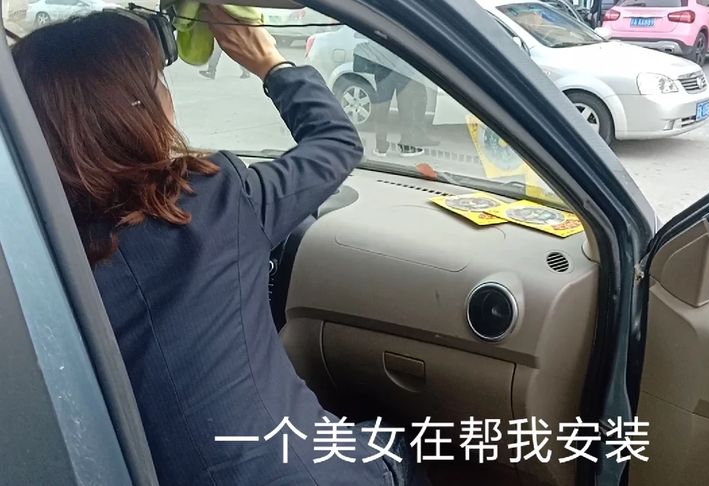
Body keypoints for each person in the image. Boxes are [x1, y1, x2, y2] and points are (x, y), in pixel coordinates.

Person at [12, 7, 415, 486]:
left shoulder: (33, 258)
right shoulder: (216, 200)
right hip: (303, 474)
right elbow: (336, 143)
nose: (168, 95)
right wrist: (270, 62)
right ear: (135, 112)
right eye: (158, 83)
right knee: (400, 443)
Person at [353, 39, 436, 157]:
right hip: (403, 71)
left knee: (382, 108)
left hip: (383, 69)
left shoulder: (383, 29)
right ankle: (407, 146)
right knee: (406, 108)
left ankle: (380, 147)